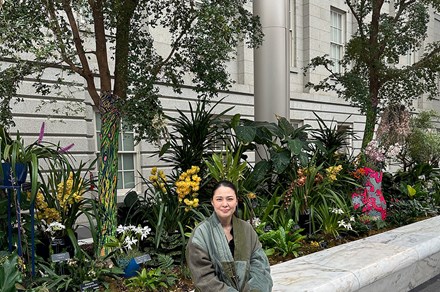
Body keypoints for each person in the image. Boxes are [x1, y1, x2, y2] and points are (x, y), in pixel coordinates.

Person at [186, 180, 273, 292]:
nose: (225, 204)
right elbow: (204, 279)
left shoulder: (246, 229)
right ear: (212, 202)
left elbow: (260, 266)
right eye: (219, 199)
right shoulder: (201, 234)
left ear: (236, 201)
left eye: (230, 199)